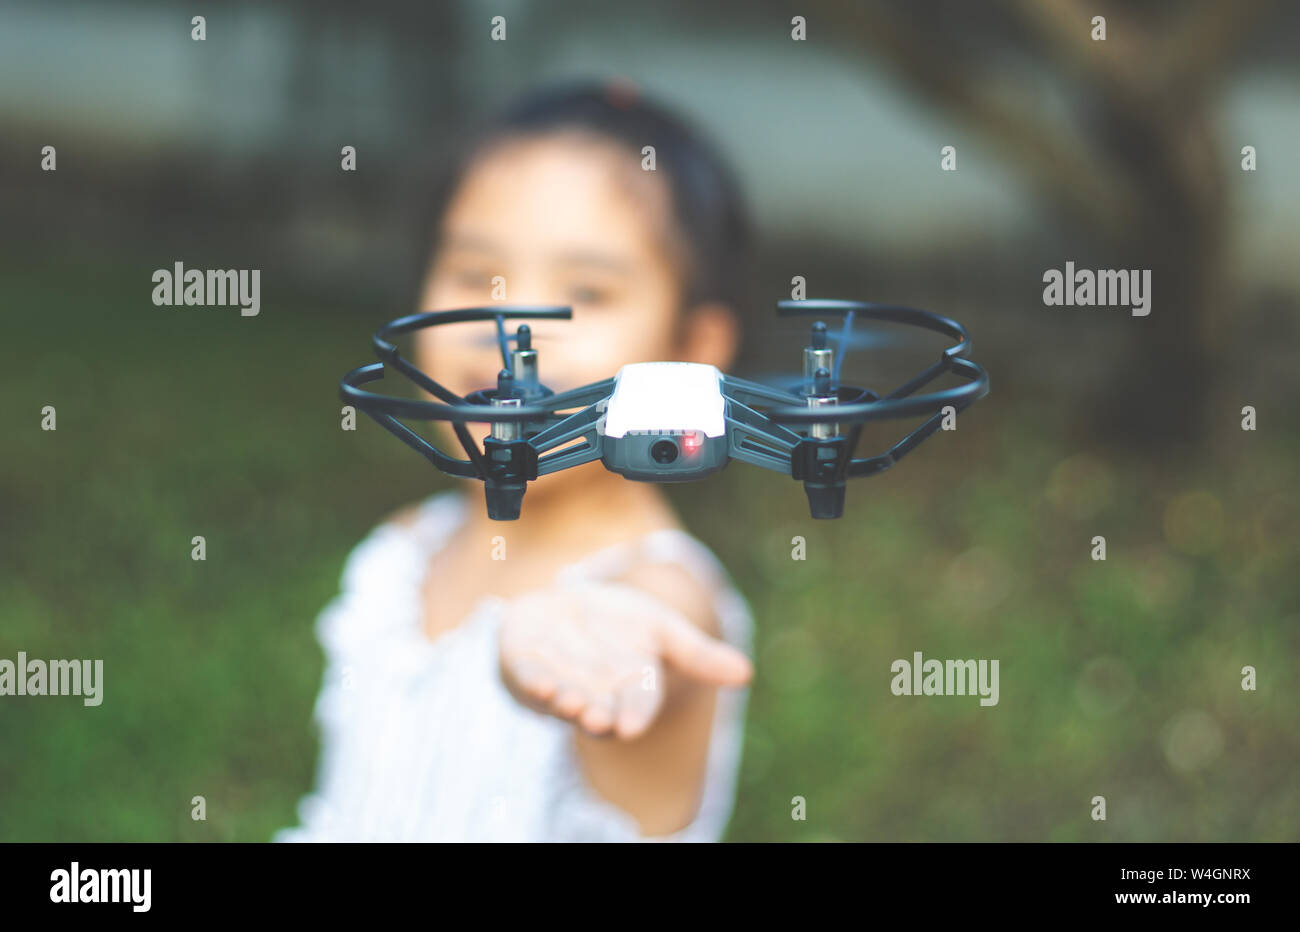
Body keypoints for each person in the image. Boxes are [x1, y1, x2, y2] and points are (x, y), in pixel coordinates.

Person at [278, 80, 757, 841]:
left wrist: (594, 636)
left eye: (587, 292)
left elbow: (651, 640)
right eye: (476, 278)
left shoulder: (658, 591)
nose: (511, 331)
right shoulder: (410, 549)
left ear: (690, 352)